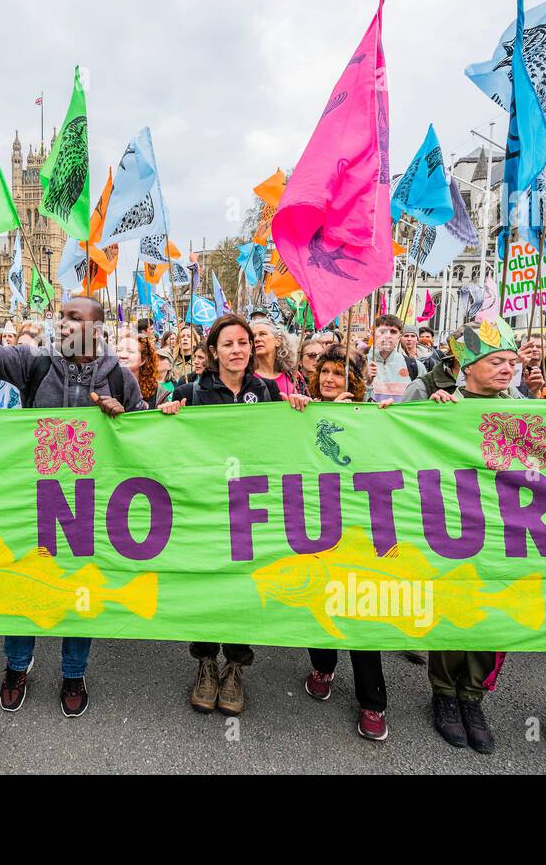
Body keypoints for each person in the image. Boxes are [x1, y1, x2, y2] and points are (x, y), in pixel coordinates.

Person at [0, 257, 143, 718]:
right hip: (36, 499)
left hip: (89, 504)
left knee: (80, 586)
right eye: (61, 316)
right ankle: (17, 666)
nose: (62, 324)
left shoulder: (121, 377)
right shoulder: (34, 364)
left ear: (98, 330)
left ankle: (73, 673)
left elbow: (144, 437)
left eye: (74, 319)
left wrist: (122, 417)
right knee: (24, 580)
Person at [416, 317, 546, 754]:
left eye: (511, 361)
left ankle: (472, 696)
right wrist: (430, 414)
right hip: (453, 525)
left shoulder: (524, 404)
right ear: (468, 366)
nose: (508, 368)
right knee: (455, 605)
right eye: (497, 360)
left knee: (493, 609)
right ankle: (444, 693)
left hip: (508, 527)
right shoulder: (439, 401)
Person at [158, 314, 309, 717]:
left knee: (243, 586)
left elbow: (284, 442)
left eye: (244, 342)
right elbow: (165, 442)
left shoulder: (267, 393)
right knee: (209, 585)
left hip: (249, 510)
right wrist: (167, 413)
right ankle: (206, 663)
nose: (238, 350)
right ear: (214, 351)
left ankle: (235, 666)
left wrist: (297, 409)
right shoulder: (191, 391)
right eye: (228, 344)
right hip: (205, 508)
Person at [300, 345, 389, 740]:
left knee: (359, 608)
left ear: (355, 380)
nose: (331, 380)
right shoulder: (301, 414)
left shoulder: (370, 415)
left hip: (358, 531)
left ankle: (373, 702)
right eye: (325, 372)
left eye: (340, 373)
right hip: (315, 528)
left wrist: (371, 419)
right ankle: (322, 665)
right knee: (319, 599)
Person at [366, 314, 418, 403]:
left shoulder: (415, 366)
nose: (387, 336)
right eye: (382, 332)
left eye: (393, 332)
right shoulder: (358, 364)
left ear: (399, 337)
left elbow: (421, 400)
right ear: (373, 335)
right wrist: (366, 383)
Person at [251, 318, 297, 396]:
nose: (257, 339)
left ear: (278, 341)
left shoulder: (292, 375)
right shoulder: (245, 378)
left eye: (262, 334)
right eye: (253, 336)